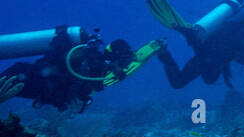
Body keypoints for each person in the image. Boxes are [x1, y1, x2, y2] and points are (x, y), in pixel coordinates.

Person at [0, 26, 162, 112]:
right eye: (122, 61)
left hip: (32, 82)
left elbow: (93, 86)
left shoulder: (98, 66)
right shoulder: (93, 61)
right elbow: (87, 81)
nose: (123, 66)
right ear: (115, 57)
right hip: (30, 78)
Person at [147, 0, 244, 89]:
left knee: (178, 83)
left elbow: (241, 55)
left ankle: (163, 49)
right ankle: (189, 35)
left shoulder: (240, 16)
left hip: (208, 47)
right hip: (214, 53)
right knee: (208, 79)